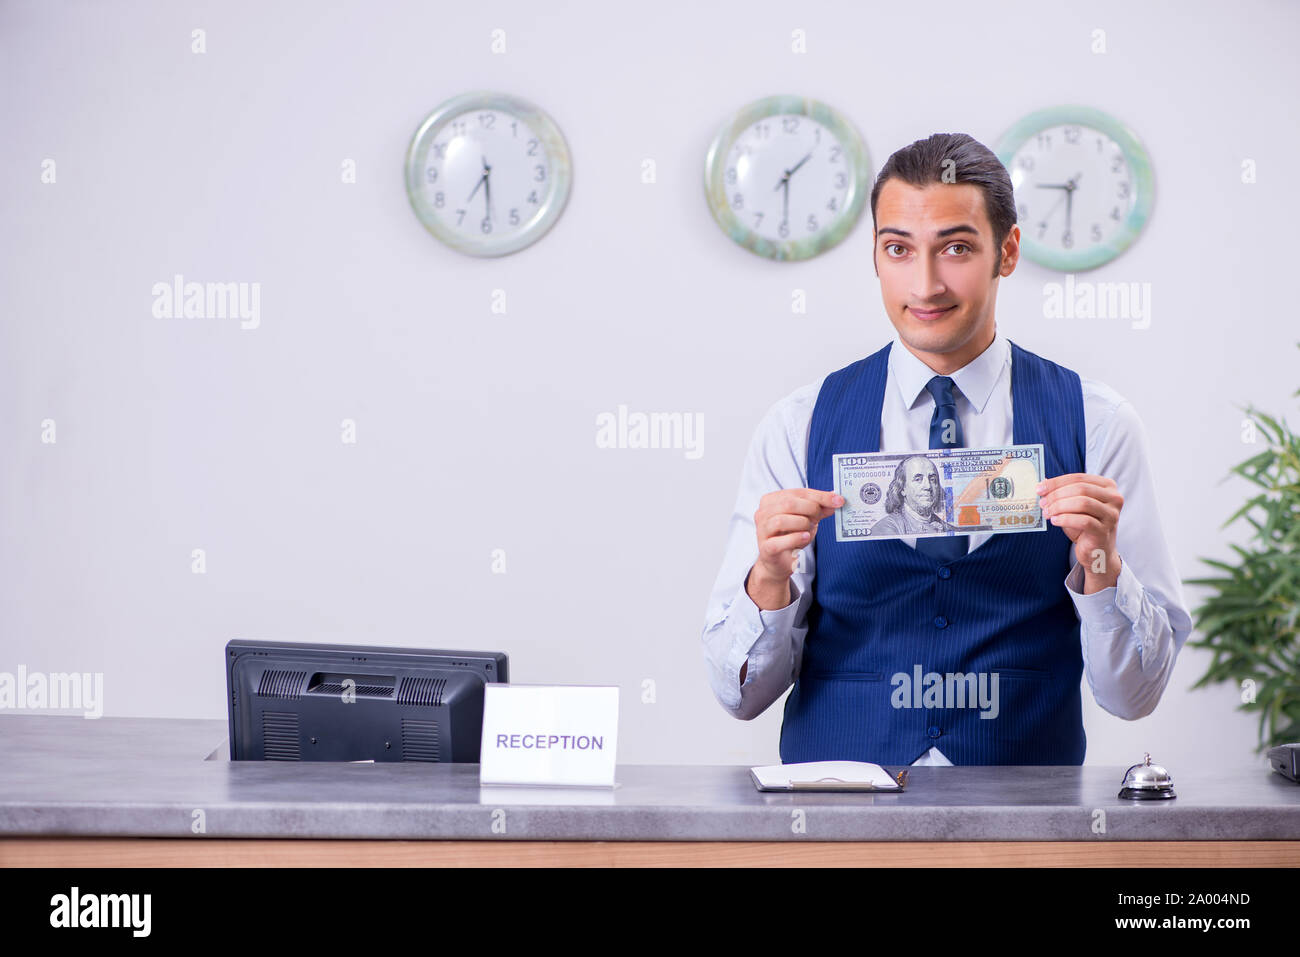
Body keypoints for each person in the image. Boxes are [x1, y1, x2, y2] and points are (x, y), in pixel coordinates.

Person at [701, 132, 1193, 766]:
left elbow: (1135, 698)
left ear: (1007, 251)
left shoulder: (1097, 425)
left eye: (956, 248)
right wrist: (767, 579)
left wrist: (1101, 567)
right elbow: (737, 697)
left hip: (1026, 830)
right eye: (899, 249)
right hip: (835, 824)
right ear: (876, 258)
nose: (926, 283)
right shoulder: (797, 426)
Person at [869, 455, 959, 535]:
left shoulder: (950, 529)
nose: (928, 486)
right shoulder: (886, 528)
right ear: (902, 488)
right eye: (918, 479)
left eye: (932, 479)